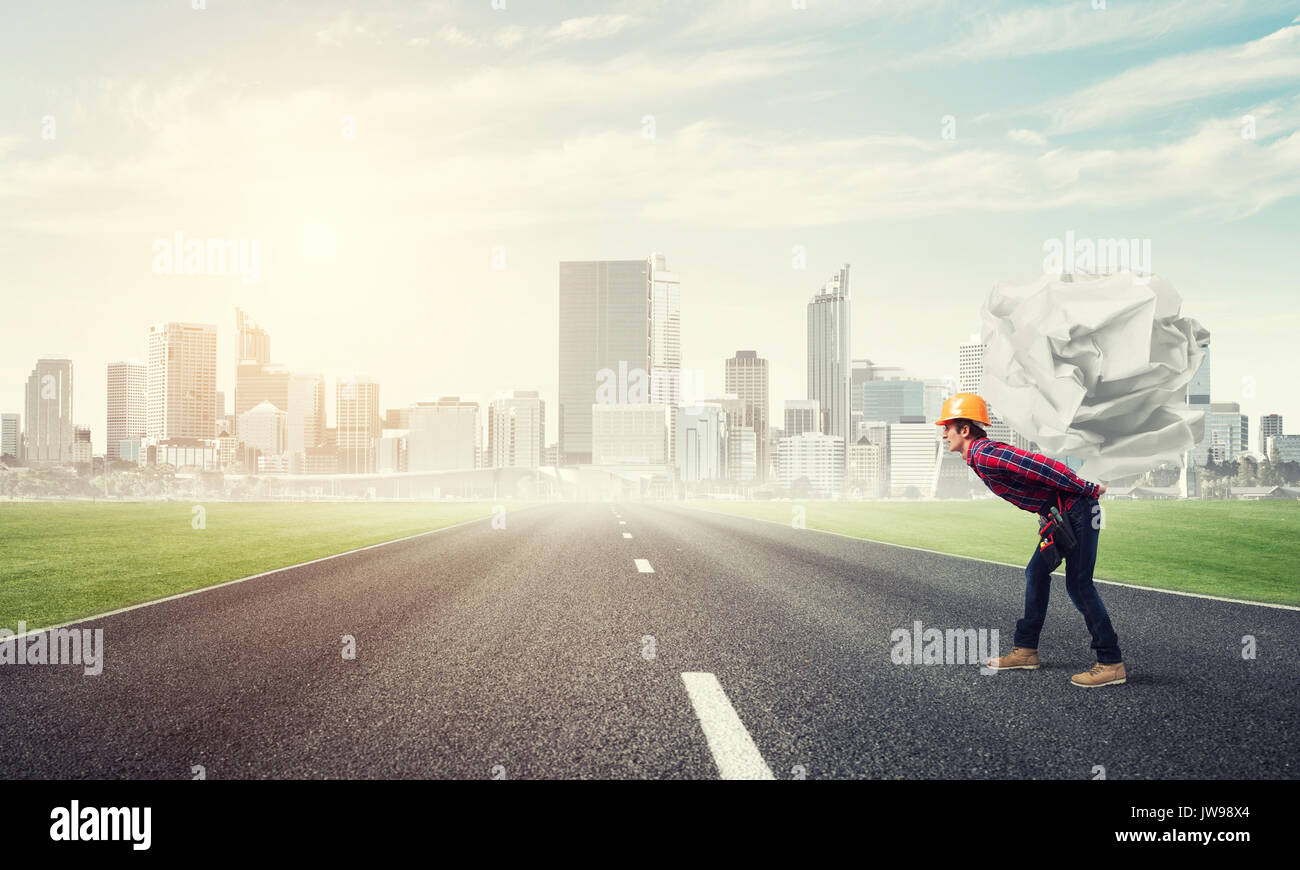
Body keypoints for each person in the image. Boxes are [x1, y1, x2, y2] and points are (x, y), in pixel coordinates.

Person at [935, 392, 1126, 688]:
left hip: (1077, 508)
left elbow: (1040, 466)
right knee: (1035, 572)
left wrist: (1086, 488)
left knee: (1078, 584)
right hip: (1062, 514)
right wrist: (1046, 516)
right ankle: (1026, 650)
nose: (943, 433)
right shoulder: (978, 457)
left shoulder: (985, 453)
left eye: (947, 427)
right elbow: (1033, 484)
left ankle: (1111, 663)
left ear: (965, 430)